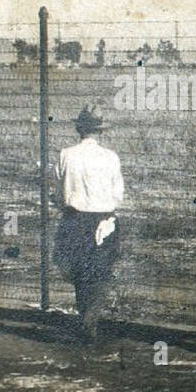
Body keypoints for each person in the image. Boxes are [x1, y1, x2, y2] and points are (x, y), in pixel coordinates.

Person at [53, 103, 124, 340]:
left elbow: (59, 195)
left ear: (79, 129)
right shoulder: (111, 158)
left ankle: (86, 320)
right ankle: (90, 320)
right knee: (100, 273)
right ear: (101, 130)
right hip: (104, 219)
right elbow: (118, 195)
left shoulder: (66, 155)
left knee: (79, 271)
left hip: (75, 219)